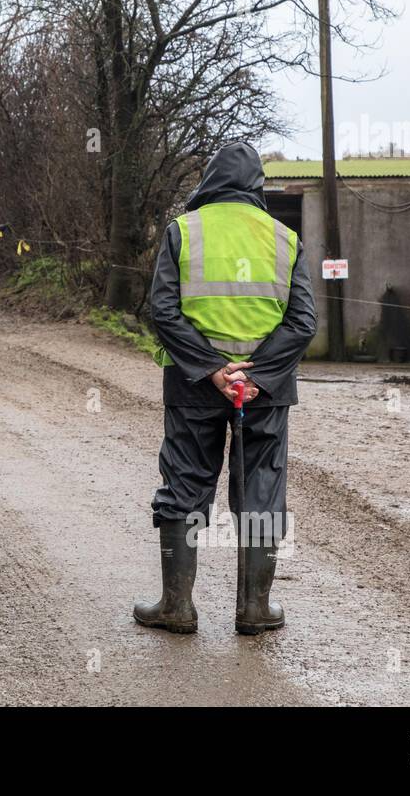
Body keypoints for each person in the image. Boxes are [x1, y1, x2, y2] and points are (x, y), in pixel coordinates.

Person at [134, 141, 316, 635]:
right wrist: (255, 376)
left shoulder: (183, 232)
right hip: (266, 393)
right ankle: (255, 610)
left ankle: (177, 607)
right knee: (261, 488)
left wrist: (214, 368)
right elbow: (302, 322)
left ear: (210, 181)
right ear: (256, 186)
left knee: (186, 484)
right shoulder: (284, 239)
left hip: (194, 386)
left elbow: (163, 310)